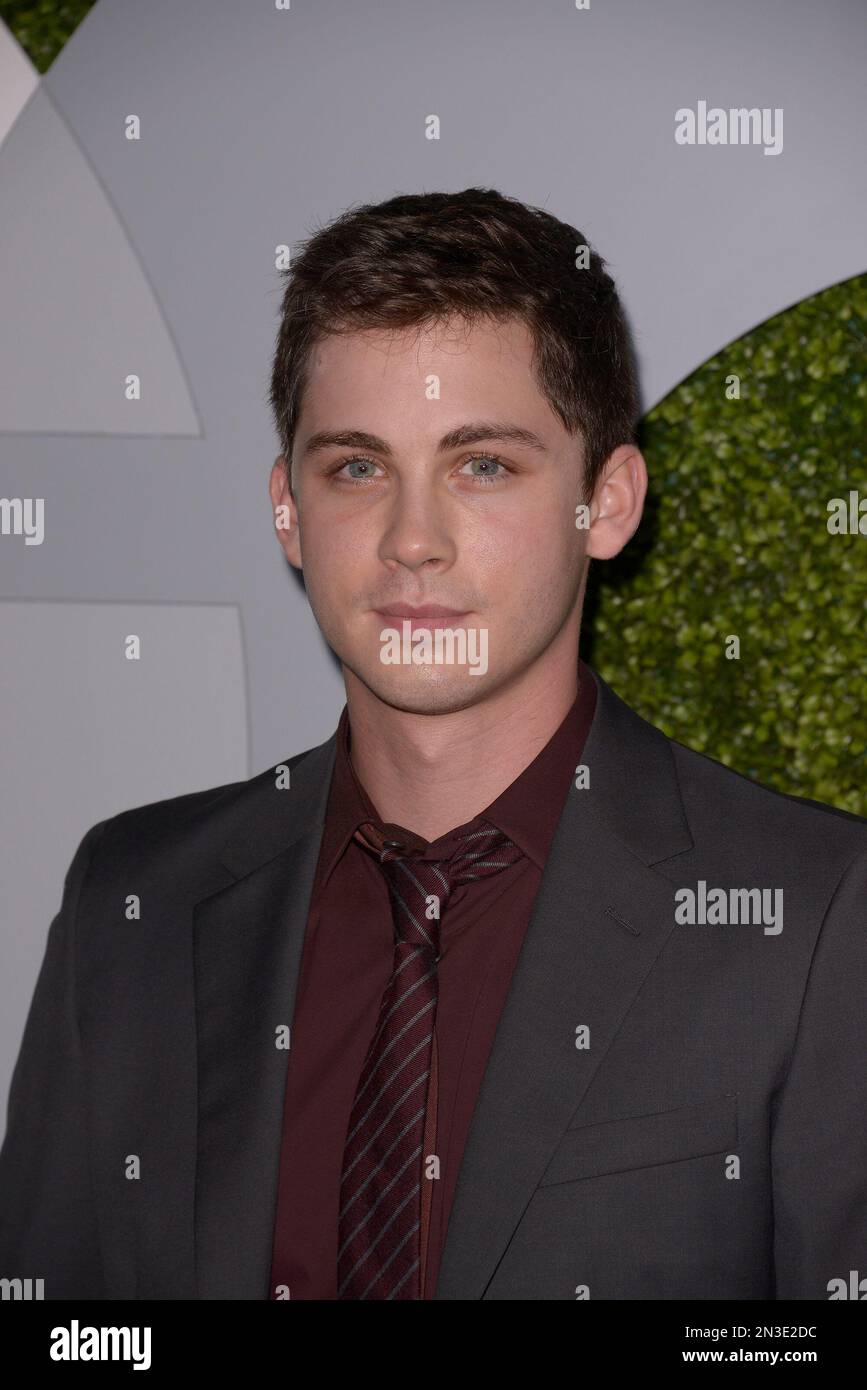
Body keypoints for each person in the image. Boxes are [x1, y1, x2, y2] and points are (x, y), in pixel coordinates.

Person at [1, 187, 865, 1301]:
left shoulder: (816, 919)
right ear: (288, 511)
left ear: (606, 502)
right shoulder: (135, 903)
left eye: (483, 465)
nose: (412, 540)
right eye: (358, 467)